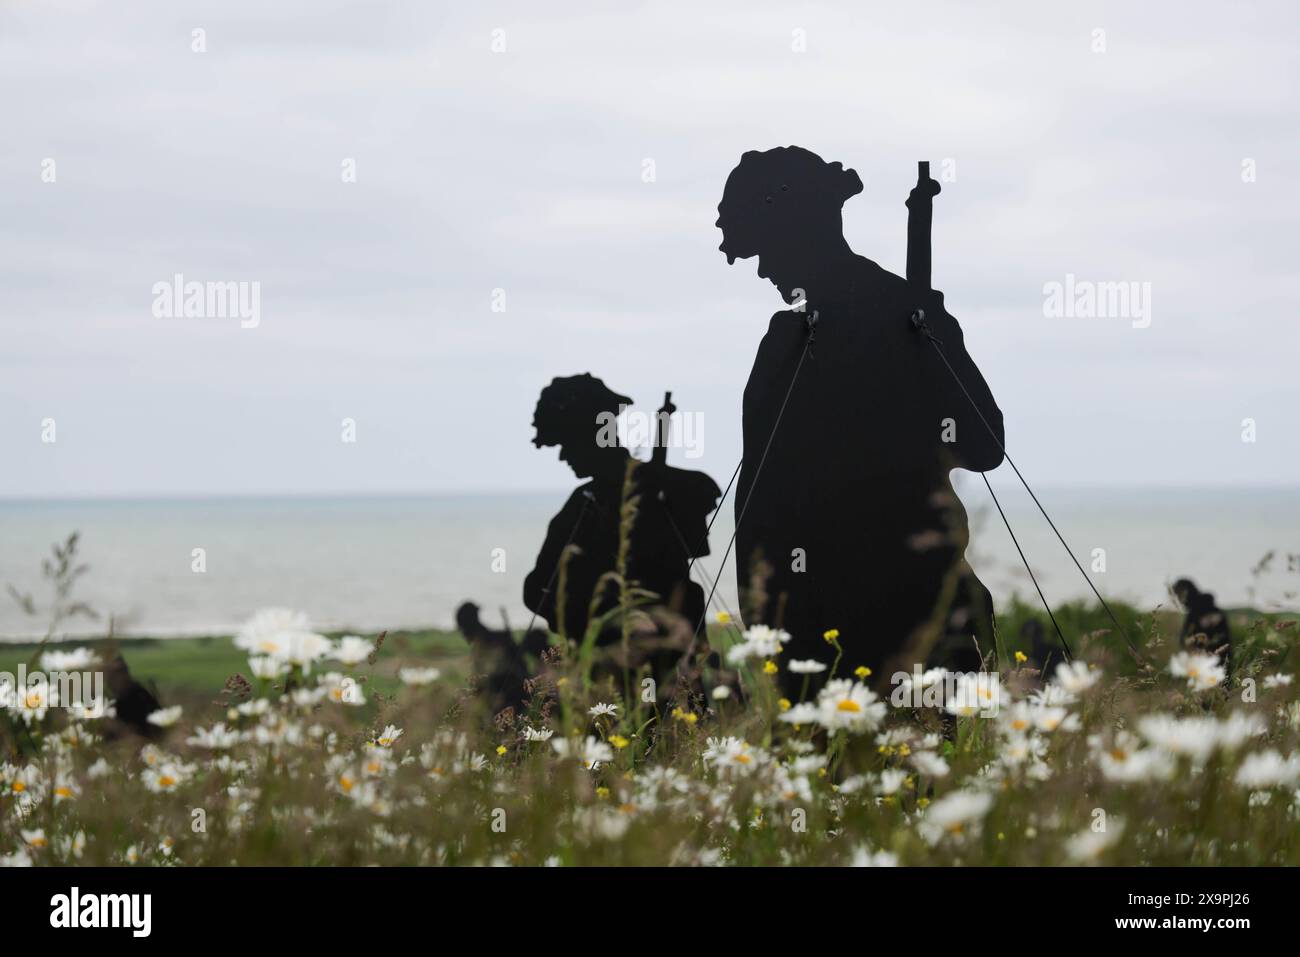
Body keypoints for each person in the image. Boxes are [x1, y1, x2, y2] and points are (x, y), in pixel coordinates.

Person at [715, 146, 1004, 696]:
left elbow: (984, 444)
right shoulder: (807, 335)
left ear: (800, 230)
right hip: (851, 626)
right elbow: (759, 500)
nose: (764, 270)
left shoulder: (872, 324)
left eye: (765, 250)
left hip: (872, 626)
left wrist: (932, 336)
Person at [522, 374, 721, 687]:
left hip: (670, 668)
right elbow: (536, 591)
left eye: (567, 443)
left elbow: (695, 534)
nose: (563, 456)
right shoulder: (583, 505)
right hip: (611, 674)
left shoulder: (670, 489)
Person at [1172, 578, 1232, 672]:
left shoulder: (1197, 613)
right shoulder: (1214, 611)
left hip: (1209, 667)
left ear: (1186, 593)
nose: (1178, 600)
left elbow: (1184, 640)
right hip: (1218, 665)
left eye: (1179, 595)